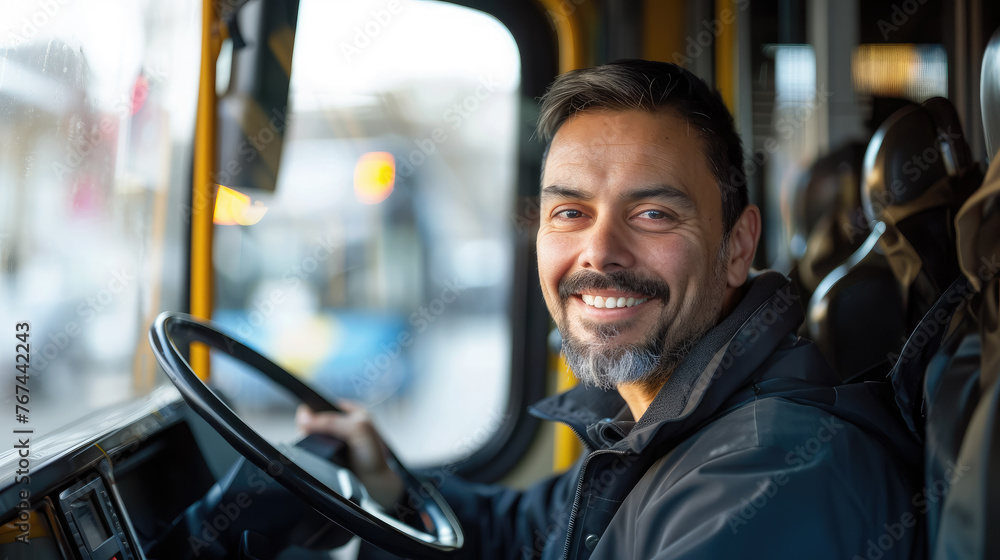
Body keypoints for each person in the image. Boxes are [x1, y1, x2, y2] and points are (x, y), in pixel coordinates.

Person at [297, 60, 922, 560]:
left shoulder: (771, 476)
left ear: (737, 246)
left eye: (652, 214)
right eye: (569, 212)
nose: (599, 252)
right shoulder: (655, 421)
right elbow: (527, 536)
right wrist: (385, 483)